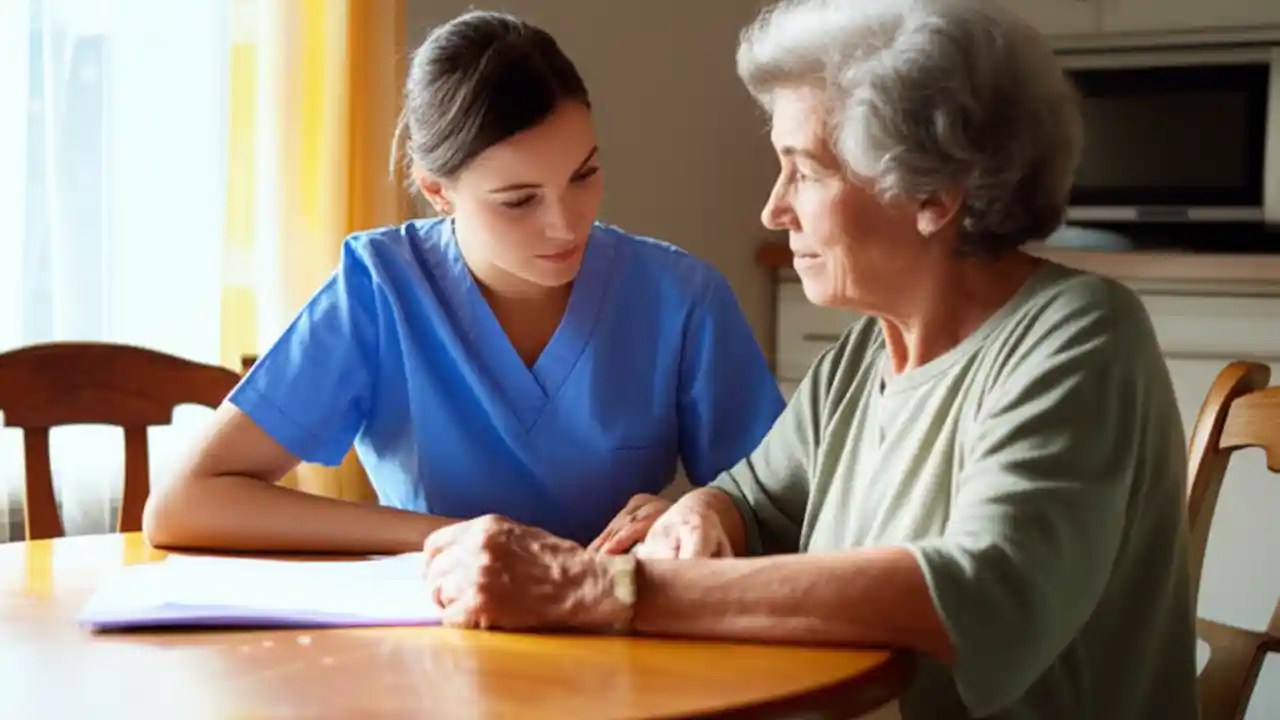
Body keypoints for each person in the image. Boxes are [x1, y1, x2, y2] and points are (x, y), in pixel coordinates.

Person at [418, 1, 1200, 718]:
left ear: (934, 194)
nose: (773, 207)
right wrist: (701, 512)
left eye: (809, 169)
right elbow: (753, 499)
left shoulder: (1080, 336)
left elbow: (986, 589)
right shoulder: (868, 353)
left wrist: (603, 587)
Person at [141, 11, 783, 554]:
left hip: (628, 641)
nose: (567, 224)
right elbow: (182, 504)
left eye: (583, 176)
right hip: (433, 646)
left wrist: (699, 511)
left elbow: (785, 507)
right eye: (518, 200)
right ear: (437, 191)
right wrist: (458, 540)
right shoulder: (381, 292)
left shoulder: (681, 297)